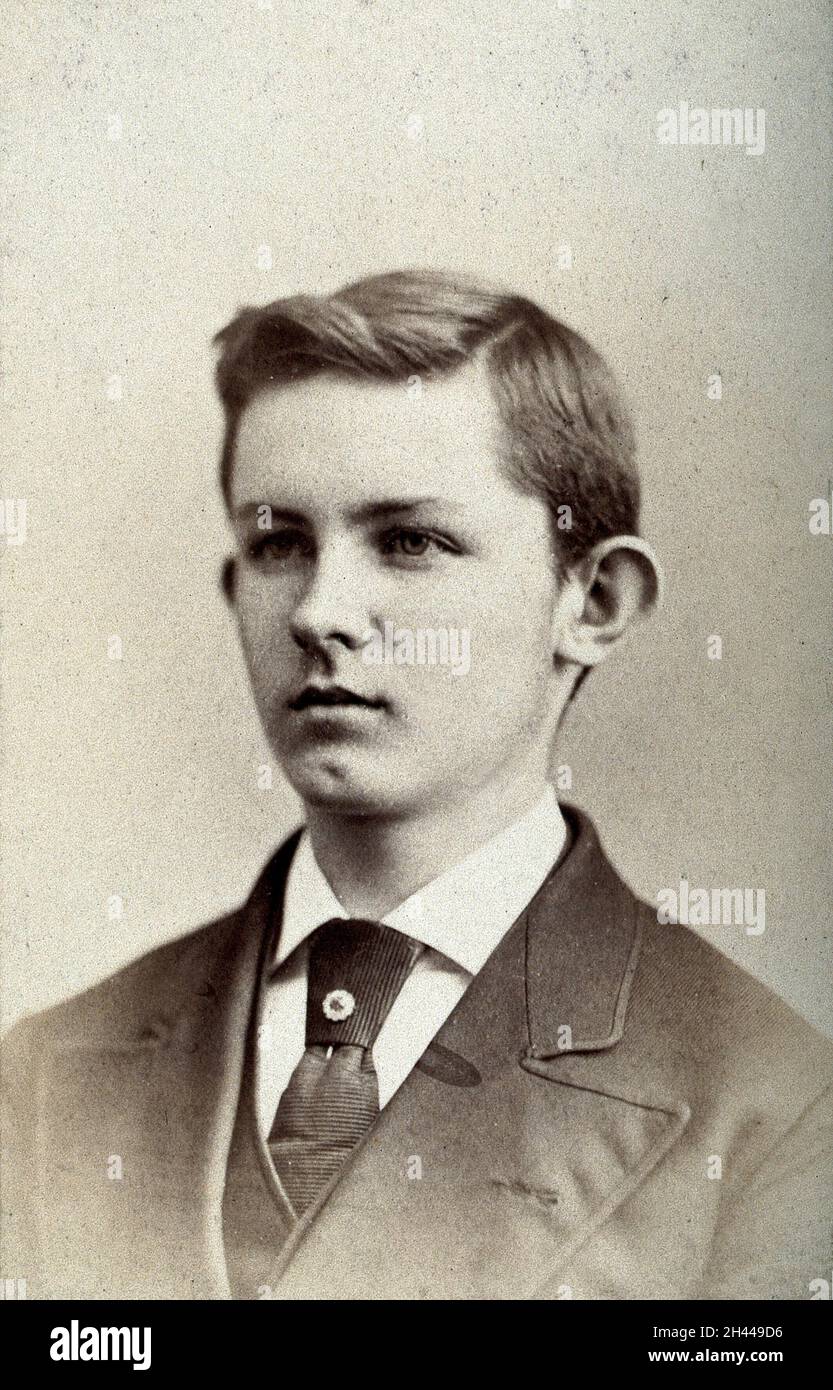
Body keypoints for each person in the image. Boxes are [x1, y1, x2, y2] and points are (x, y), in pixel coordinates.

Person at [2, 271, 830, 1300]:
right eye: (277, 545)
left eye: (410, 542)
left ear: (595, 601)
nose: (319, 610)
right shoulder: (44, 1074)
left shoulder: (770, 1108)